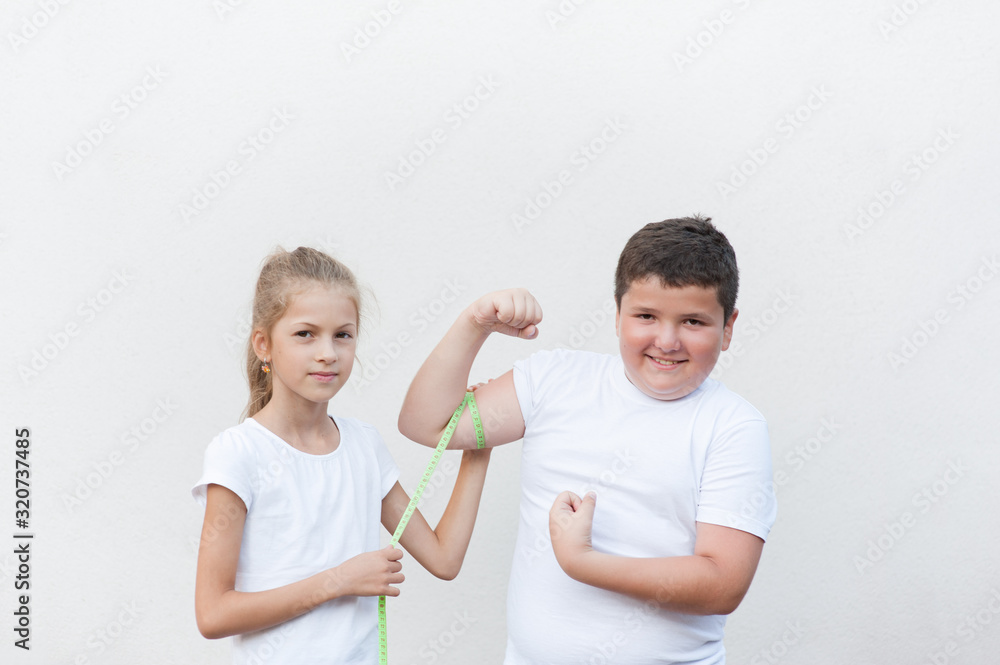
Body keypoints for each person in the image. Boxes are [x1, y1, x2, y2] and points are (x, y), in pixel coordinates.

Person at [398, 216, 777, 664]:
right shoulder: (554, 380)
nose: (667, 340)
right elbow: (427, 425)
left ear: (728, 327)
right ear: (617, 315)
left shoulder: (733, 428)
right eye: (646, 316)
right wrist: (474, 324)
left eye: (693, 321)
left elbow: (722, 584)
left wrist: (584, 563)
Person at [192, 246, 491, 664]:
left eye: (343, 335)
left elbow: (443, 557)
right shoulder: (240, 453)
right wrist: (338, 580)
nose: (328, 353)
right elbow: (212, 614)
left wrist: (478, 445)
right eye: (305, 334)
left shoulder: (363, 446)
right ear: (263, 344)